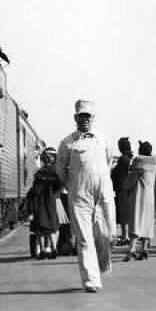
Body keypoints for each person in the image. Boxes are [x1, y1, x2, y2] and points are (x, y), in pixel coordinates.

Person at [56, 99, 115, 293]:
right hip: (80, 194)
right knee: (84, 238)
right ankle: (91, 280)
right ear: (75, 118)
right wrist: (73, 186)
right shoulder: (68, 143)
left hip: (103, 193)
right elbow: (61, 170)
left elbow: (107, 160)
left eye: (88, 116)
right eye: (81, 116)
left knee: (106, 234)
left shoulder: (103, 139)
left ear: (93, 118)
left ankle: (102, 265)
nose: (85, 120)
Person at [125, 141, 156, 261]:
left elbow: (132, 177)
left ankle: (132, 250)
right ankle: (144, 249)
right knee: (147, 220)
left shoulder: (138, 160)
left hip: (138, 194)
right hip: (150, 194)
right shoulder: (155, 162)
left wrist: (126, 187)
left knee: (136, 220)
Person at [26, 146, 62, 259]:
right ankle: (53, 248)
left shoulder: (39, 174)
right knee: (52, 228)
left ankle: (42, 250)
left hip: (40, 203)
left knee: (40, 230)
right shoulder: (57, 172)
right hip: (52, 201)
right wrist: (54, 193)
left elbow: (35, 191)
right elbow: (59, 185)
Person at [111, 137, 135, 245]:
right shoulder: (128, 158)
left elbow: (118, 174)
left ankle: (125, 235)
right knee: (125, 212)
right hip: (126, 188)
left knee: (123, 213)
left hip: (122, 188)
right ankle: (126, 234)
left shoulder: (123, 159)